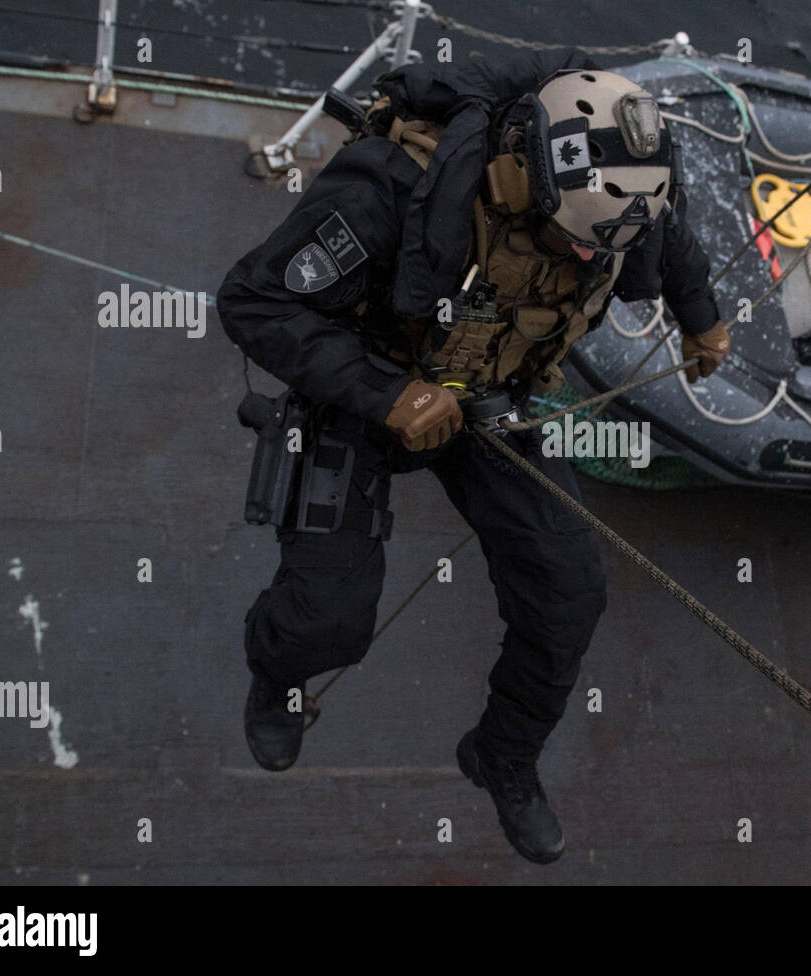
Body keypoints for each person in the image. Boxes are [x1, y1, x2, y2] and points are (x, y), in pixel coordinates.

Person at [217, 48, 730, 864]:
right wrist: (388, 395)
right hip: (367, 386)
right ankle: (279, 674)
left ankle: (503, 754)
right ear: (531, 179)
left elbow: (664, 238)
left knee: (568, 592)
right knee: (328, 617)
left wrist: (700, 316)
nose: (591, 262)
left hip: (490, 394)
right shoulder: (389, 187)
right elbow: (253, 299)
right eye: (576, 245)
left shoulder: (615, 194)